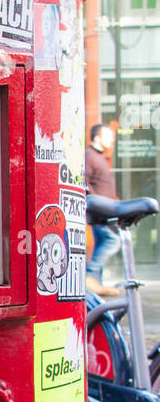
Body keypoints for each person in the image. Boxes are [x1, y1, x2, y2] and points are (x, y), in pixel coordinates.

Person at [85, 123, 120, 296]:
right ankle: (90, 277)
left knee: (103, 242)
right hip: (101, 211)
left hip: (106, 210)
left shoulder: (99, 157)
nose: (112, 140)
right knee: (112, 240)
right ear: (97, 137)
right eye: (108, 136)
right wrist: (96, 202)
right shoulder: (90, 156)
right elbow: (84, 181)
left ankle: (95, 285)